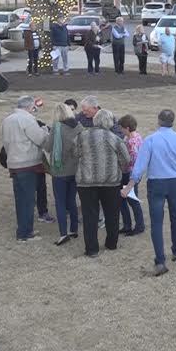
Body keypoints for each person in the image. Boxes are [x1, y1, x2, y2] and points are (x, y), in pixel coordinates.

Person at [123, 108, 176, 276]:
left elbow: (139, 167)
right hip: (174, 182)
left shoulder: (150, 140)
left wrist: (129, 187)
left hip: (156, 183)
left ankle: (160, 260)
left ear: (158, 121)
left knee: (156, 221)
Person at [72, 109, 128, 258]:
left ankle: (92, 249)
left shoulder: (81, 136)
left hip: (86, 181)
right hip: (110, 181)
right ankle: (111, 243)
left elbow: (74, 153)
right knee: (112, 213)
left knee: (89, 215)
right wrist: (118, 166)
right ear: (109, 123)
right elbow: (126, 159)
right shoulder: (114, 138)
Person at [1, 96, 49, 242]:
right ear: (30, 107)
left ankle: (24, 229)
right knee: (27, 200)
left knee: (21, 199)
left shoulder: (8, 119)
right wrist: (45, 130)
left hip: (15, 163)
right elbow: (40, 139)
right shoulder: (27, 120)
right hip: (28, 163)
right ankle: (25, 233)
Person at [43, 103, 81, 246]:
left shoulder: (56, 127)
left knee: (60, 202)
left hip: (60, 171)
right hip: (75, 169)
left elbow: (47, 147)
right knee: (71, 200)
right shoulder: (79, 127)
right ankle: (74, 229)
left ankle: (63, 234)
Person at [117, 114, 145, 236]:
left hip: (129, 173)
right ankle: (132, 225)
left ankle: (136, 225)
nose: (120, 130)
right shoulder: (137, 137)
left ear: (127, 128)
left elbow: (131, 159)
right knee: (128, 199)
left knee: (131, 200)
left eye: (122, 128)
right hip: (133, 173)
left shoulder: (131, 141)